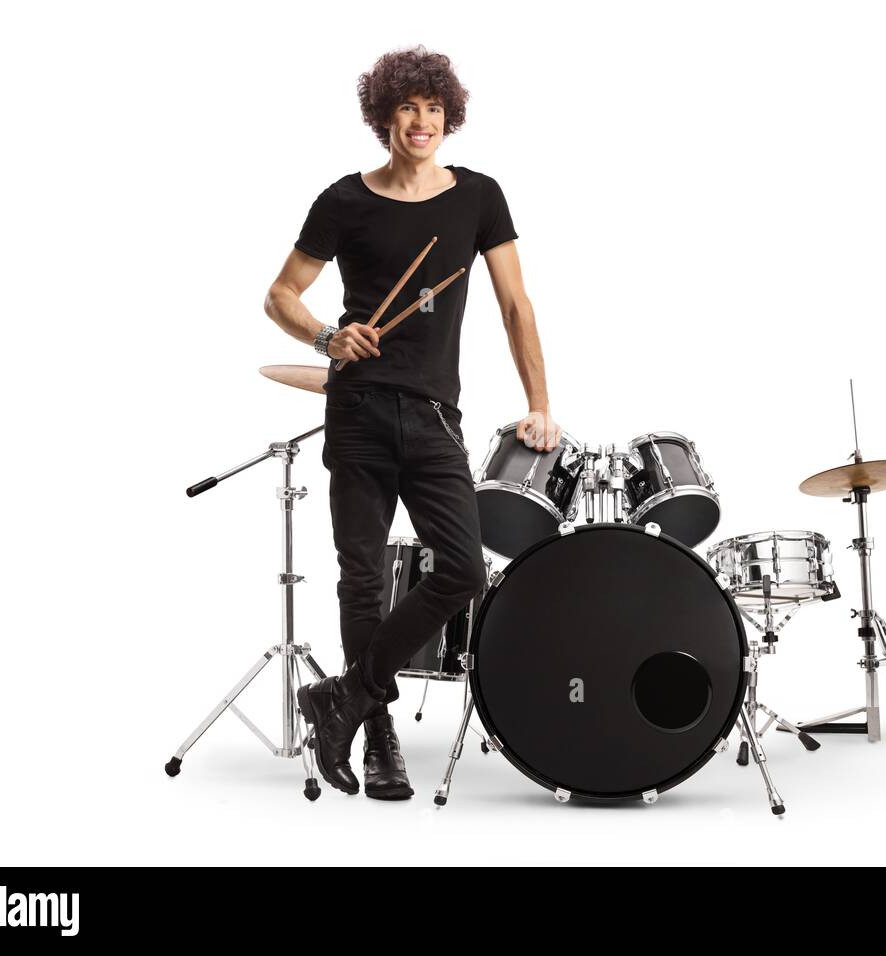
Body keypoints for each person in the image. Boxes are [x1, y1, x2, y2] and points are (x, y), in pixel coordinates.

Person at [264, 46, 560, 799]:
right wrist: (327, 337)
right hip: (358, 408)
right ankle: (378, 742)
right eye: (407, 107)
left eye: (434, 108)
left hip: (433, 415)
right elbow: (280, 295)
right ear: (383, 115)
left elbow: (516, 306)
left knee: (461, 570)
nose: (422, 121)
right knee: (362, 581)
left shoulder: (479, 197)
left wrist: (541, 403)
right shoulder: (343, 201)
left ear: (448, 117)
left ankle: (345, 695)